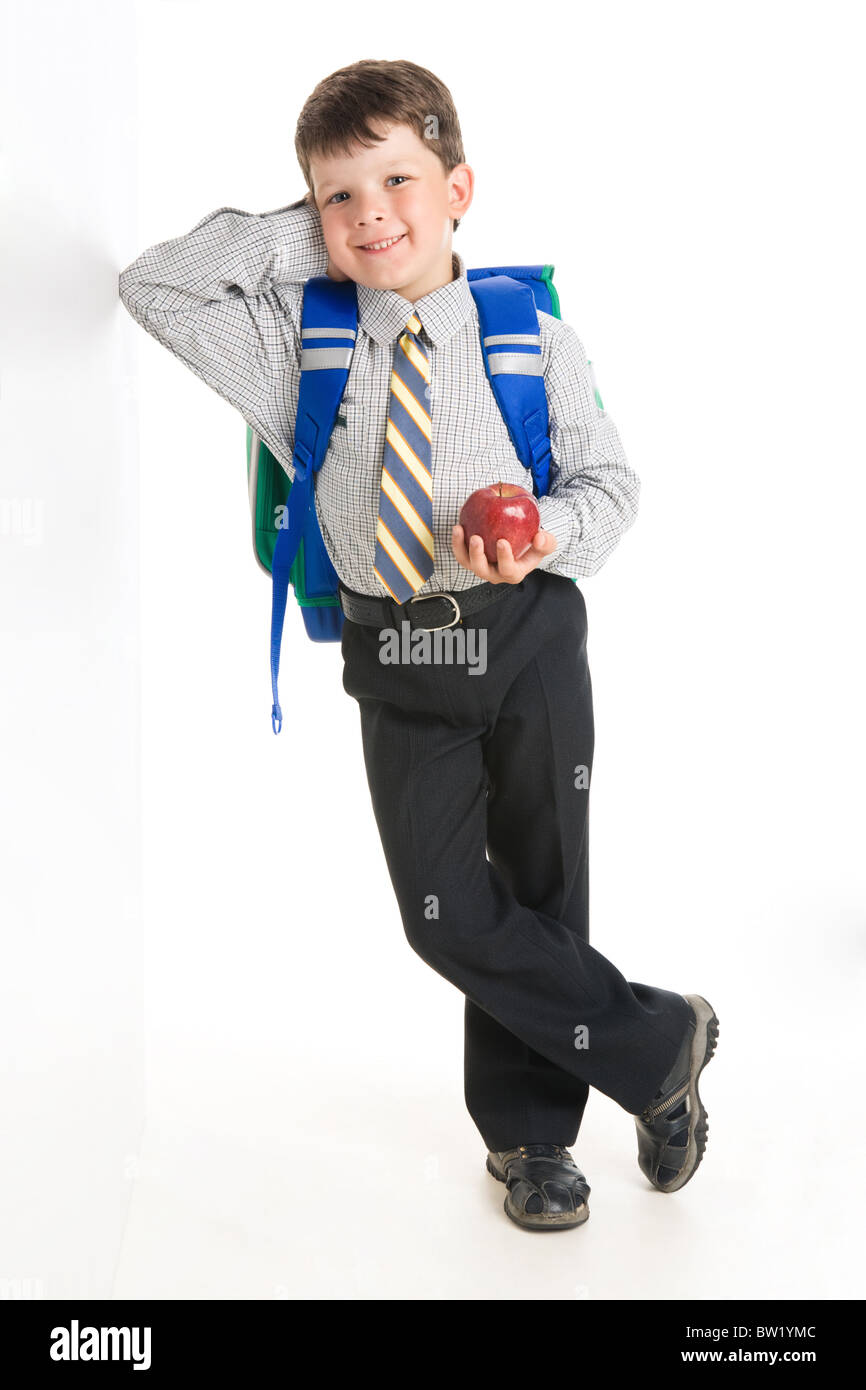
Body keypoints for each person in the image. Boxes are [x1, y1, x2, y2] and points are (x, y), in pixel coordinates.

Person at [118, 57, 718, 1233]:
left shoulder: (526, 335)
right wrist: (319, 234)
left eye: (397, 180)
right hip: (399, 658)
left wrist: (543, 529)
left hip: (529, 636)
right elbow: (156, 286)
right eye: (338, 195)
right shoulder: (292, 346)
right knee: (443, 911)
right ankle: (659, 1046)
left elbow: (611, 485)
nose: (370, 211)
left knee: (543, 891)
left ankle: (532, 1141)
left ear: (460, 186)